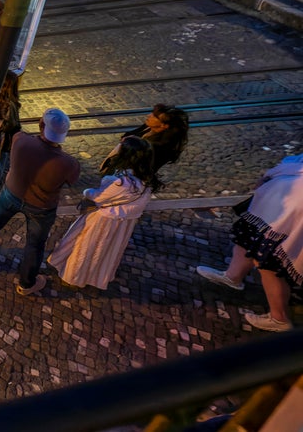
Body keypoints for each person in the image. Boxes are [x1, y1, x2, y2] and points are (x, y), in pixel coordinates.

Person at [0, 107, 80, 295]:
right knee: (35, 244)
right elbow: (72, 180)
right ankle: (27, 283)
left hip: (12, 193)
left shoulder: (21, 140)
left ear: (41, 124)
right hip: (42, 206)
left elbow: (18, 136)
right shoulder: (69, 163)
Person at [196, 153, 303, 332]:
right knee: (248, 239)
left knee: (268, 263)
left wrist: (268, 178)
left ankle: (279, 318)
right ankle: (233, 276)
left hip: (287, 215)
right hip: (273, 209)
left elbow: (286, 169)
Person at [48, 136, 160, 290]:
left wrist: (87, 192)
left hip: (103, 220)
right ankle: (94, 275)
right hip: (122, 223)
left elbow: (98, 196)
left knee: (86, 248)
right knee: (106, 251)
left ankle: (74, 277)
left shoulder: (120, 181)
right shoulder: (146, 181)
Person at [100, 104, 189, 175]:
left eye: (155, 116)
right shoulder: (149, 127)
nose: (149, 115)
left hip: (125, 175)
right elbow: (130, 134)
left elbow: (138, 167)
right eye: (152, 113)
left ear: (164, 125)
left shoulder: (160, 148)